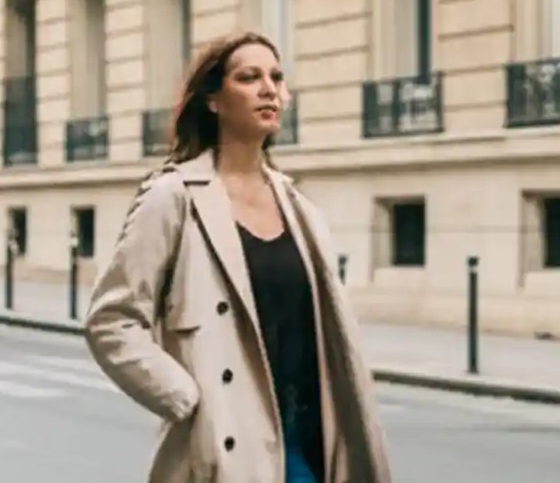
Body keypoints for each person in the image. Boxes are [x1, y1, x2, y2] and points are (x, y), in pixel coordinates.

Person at [84, 31, 392, 483]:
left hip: (313, 447)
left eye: (276, 77)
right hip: (227, 451)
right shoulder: (174, 198)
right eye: (249, 77)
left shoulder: (299, 207)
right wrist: (187, 399)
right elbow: (111, 319)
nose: (269, 88)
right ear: (213, 100)